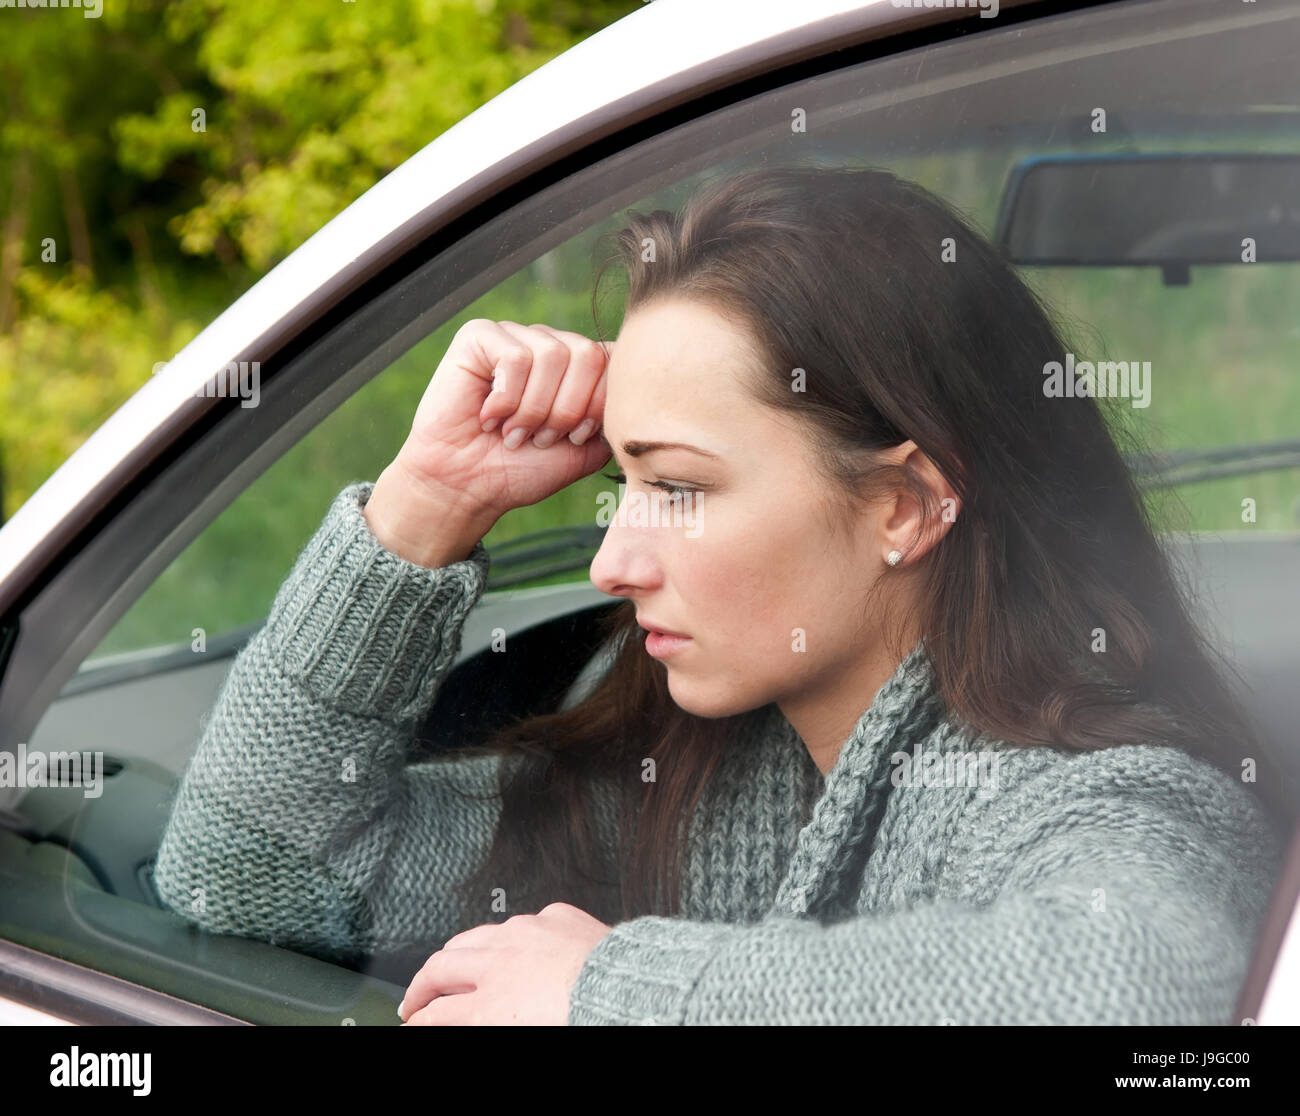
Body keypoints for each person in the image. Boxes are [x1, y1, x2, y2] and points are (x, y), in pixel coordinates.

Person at [152, 164, 1288, 1025]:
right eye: (621, 483)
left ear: (902, 507)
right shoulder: (691, 775)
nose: (611, 562)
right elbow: (247, 871)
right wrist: (425, 507)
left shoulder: (1117, 797)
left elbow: (1119, 992)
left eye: (678, 489)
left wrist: (607, 994)